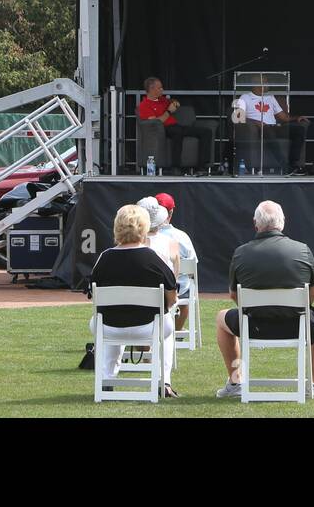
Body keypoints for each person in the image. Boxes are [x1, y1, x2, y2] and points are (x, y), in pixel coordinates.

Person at [214, 200, 314, 398]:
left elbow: (235, 296)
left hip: (253, 326)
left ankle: (236, 381)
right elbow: (313, 293)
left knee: (221, 318)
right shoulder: (302, 250)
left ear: (255, 223)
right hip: (297, 325)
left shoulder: (241, 253)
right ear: (283, 223)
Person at [90, 204, 180, 398]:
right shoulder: (154, 259)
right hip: (149, 327)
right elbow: (172, 299)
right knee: (168, 323)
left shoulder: (104, 258)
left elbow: (94, 295)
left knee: (109, 316)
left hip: (109, 327)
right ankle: (164, 381)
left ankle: (107, 379)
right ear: (144, 228)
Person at [138, 76, 215, 174]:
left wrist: (175, 103)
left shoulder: (162, 99)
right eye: (159, 88)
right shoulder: (144, 105)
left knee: (206, 132)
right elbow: (155, 122)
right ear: (151, 89)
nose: (162, 89)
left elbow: (173, 101)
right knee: (177, 132)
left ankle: (201, 168)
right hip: (162, 130)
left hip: (176, 126)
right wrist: (169, 112)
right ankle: (176, 167)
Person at [237, 83, 311, 175]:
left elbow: (283, 117)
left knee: (299, 130)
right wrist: (256, 122)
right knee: (267, 130)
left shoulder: (270, 98)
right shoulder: (245, 97)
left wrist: (296, 118)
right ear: (258, 85)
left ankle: (294, 165)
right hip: (257, 130)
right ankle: (285, 166)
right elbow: (238, 116)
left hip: (274, 127)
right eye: (266, 83)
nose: (268, 85)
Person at [153, 192, 198, 332]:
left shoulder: (141, 237)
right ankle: (176, 332)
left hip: (150, 289)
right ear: (171, 213)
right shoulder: (181, 237)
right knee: (188, 290)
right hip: (176, 290)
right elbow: (193, 266)